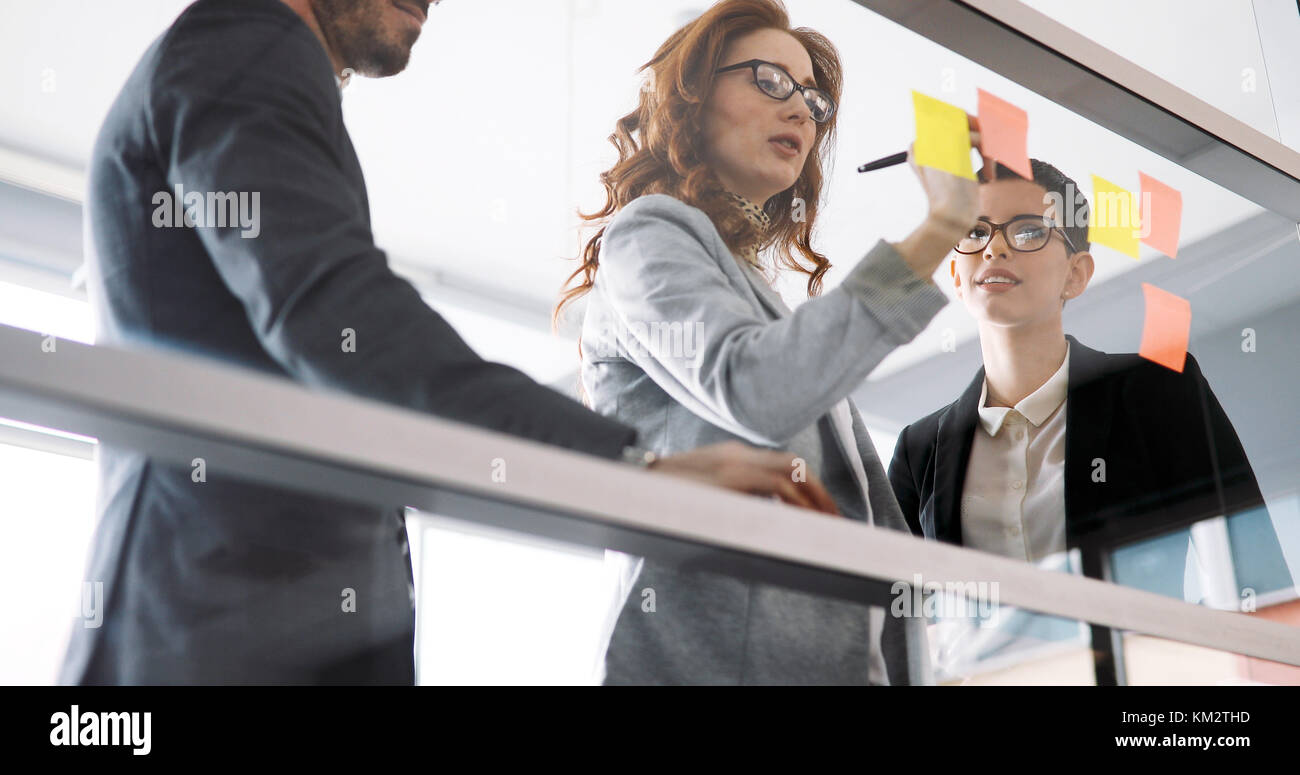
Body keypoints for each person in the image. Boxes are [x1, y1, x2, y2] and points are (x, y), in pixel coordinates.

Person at [62, 0, 840, 685]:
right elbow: (341, 319)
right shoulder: (245, 49)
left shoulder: (254, 63)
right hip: (209, 636)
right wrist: (631, 473)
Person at [556, 0, 983, 685]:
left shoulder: (765, 302)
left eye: (811, 99)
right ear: (691, 99)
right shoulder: (645, 234)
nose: (801, 112)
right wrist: (939, 229)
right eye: (769, 79)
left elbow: (874, 539)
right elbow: (758, 390)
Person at [886, 159, 1291, 662]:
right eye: (974, 231)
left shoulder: (1155, 390)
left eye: (1029, 230)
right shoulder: (919, 448)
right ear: (955, 272)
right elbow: (894, 627)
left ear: (1075, 275)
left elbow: (1256, 576)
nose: (995, 247)